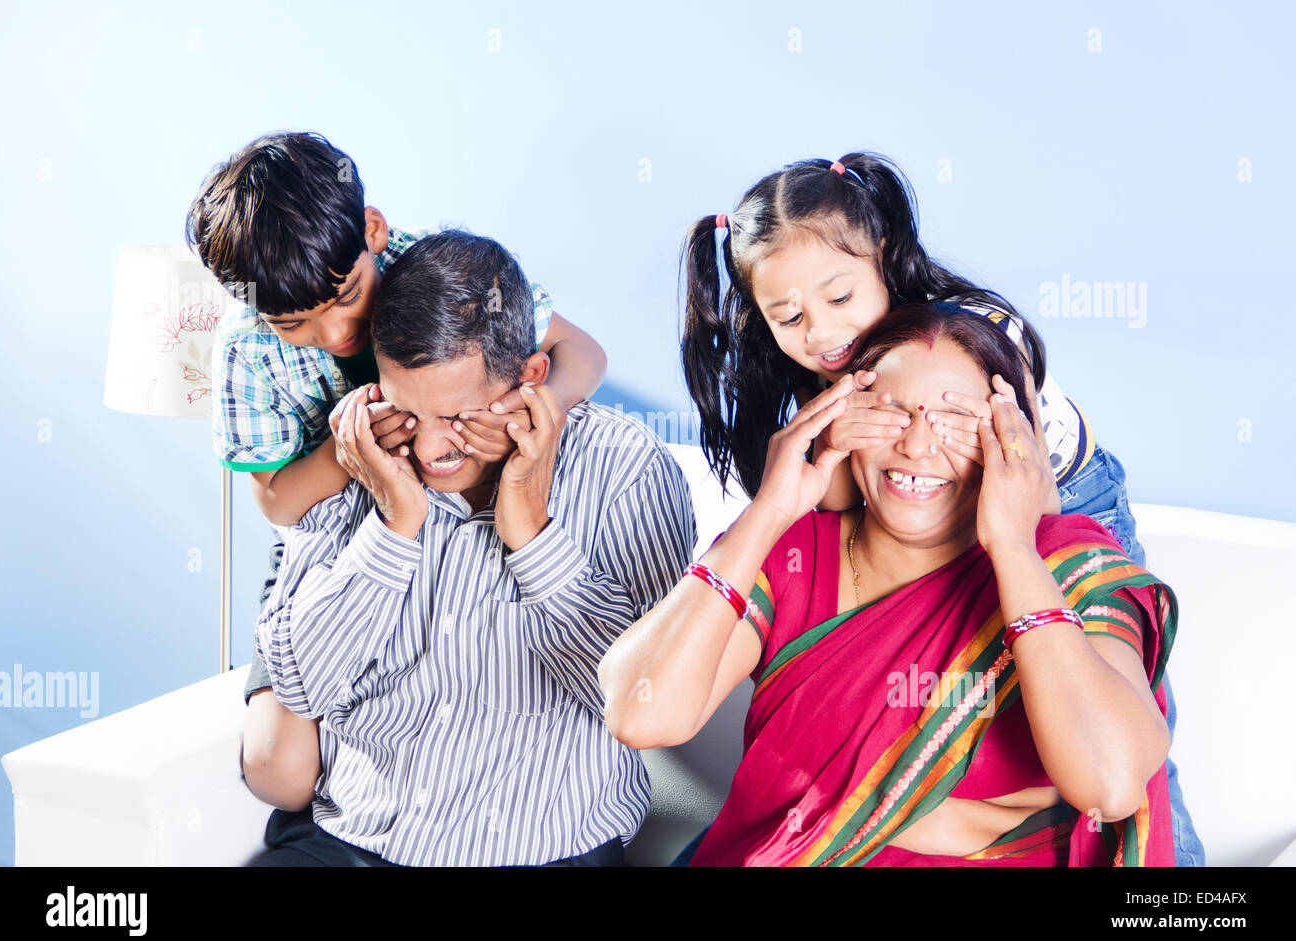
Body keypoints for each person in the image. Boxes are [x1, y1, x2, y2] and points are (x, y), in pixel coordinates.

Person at [678, 152, 1202, 865]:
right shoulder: (822, 375)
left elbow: (1031, 501)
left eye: (840, 297)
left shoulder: (978, 334)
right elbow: (833, 509)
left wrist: (997, 537)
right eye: (788, 315)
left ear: (884, 260)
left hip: (1058, 490)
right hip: (938, 505)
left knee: (1117, 701)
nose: (822, 332)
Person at [600, 304, 1177, 866]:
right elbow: (639, 715)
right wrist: (769, 511)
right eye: (889, 413)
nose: (917, 445)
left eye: (956, 423)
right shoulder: (793, 555)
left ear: (1010, 443)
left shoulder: (1064, 565)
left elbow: (1110, 785)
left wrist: (1014, 549)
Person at [185, 132, 608, 811]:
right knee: (278, 774)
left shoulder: (447, 275)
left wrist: (530, 412)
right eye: (296, 323)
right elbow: (278, 505)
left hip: (465, 525)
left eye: (346, 295)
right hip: (334, 538)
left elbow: (582, 354)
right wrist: (344, 456)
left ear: (373, 231)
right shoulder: (246, 349)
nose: (334, 333)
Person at [250, 229, 695, 865]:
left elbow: (639, 701)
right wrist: (393, 526)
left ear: (532, 376)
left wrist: (531, 535)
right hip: (351, 841)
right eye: (410, 413)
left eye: (460, 418)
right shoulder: (359, 448)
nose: (430, 451)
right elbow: (302, 686)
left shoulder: (627, 469)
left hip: (546, 850)